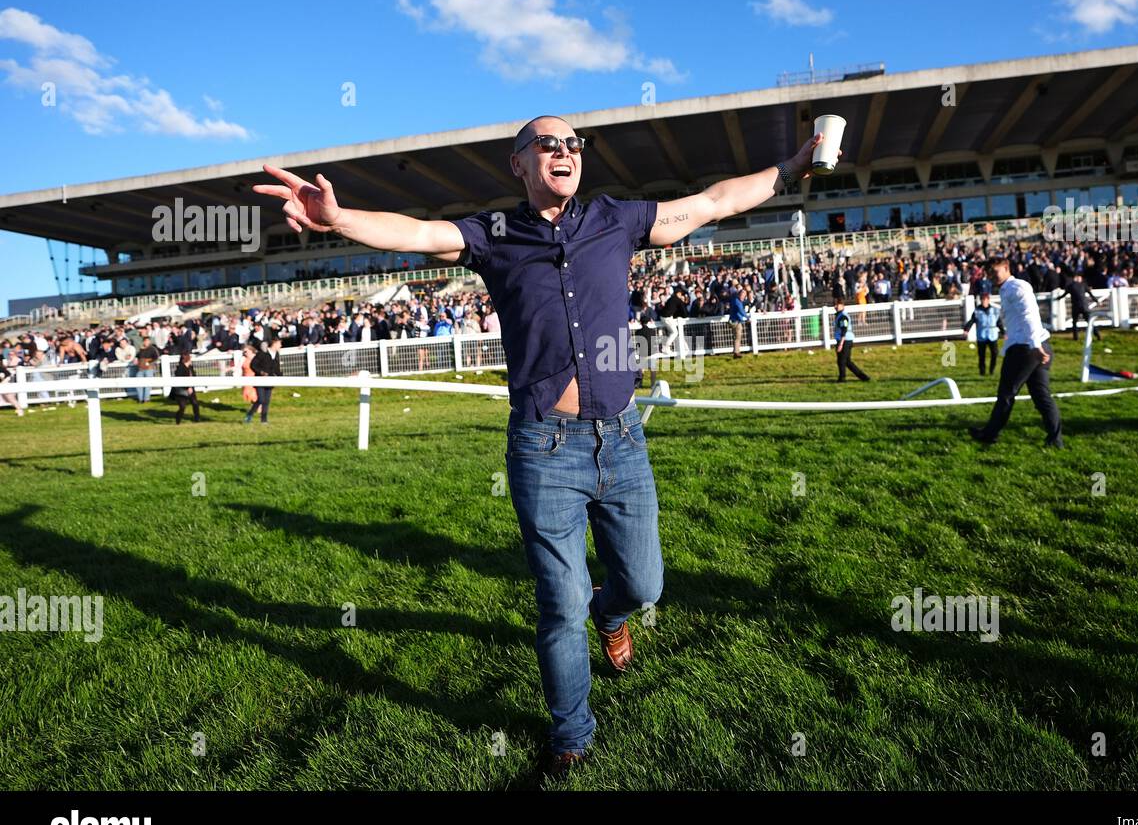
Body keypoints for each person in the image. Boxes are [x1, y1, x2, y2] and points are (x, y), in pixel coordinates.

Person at [254, 113, 832, 777]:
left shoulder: (617, 219)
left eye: (573, 144)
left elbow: (714, 200)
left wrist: (794, 167)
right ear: (519, 165)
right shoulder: (495, 234)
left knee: (643, 586)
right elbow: (417, 232)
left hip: (622, 440)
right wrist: (339, 217)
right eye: (548, 144)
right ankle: (571, 734)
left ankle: (611, 617)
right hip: (542, 448)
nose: (565, 152)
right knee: (559, 605)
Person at [970, 257, 1062, 448]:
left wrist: (1035, 345)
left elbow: (1029, 316)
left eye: (995, 272)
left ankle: (990, 434)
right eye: (989, 273)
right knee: (1041, 396)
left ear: (1006, 268)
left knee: (1006, 394)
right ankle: (1055, 439)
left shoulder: (1016, 287)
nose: (992, 276)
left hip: (1026, 348)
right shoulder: (1009, 289)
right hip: (1034, 345)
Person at [962, 291, 1003, 376]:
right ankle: (982, 372)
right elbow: (972, 321)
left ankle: (992, 370)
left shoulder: (994, 310)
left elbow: (999, 322)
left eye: (986, 299)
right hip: (982, 336)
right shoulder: (977, 311)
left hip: (992, 335)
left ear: (988, 300)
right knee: (982, 356)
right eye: (983, 299)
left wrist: (1003, 332)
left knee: (994, 354)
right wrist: (966, 329)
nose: (984, 301)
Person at [1054, 271, 1103, 340]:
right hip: (1084, 306)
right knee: (1089, 321)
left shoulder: (1070, 286)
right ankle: (1097, 335)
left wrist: (1056, 299)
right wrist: (1097, 301)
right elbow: (1091, 295)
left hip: (1075, 307)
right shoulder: (1083, 285)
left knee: (1074, 323)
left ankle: (1075, 337)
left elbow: (1063, 295)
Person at [244, 337, 282, 423]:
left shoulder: (276, 354)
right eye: (279, 343)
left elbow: (276, 369)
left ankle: (264, 420)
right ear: (274, 343)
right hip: (260, 380)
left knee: (266, 401)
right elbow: (253, 365)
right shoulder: (262, 353)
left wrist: (280, 376)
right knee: (261, 399)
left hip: (270, 381)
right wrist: (261, 372)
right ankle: (249, 414)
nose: (281, 345)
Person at [832, 297, 870, 382]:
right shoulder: (840, 315)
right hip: (845, 340)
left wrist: (841, 344)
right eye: (834, 305)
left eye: (837, 305)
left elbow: (844, 330)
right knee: (847, 361)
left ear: (842, 305)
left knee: (841, 361)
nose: (835, 306)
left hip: (845, 340)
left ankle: (842, 378)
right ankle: (863, 377)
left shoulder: (843, 317)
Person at [171, 351, 201, 424]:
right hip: (181, 391)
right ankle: (178, 421)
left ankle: (197, 419)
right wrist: (187, 387)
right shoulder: (180, 368)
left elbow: (194, 376)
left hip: (191, 389)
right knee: (182, 407)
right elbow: (179, 380)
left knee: (195, 403)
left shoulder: (190, 368)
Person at [135, 336, 160, 403]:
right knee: (138, 383)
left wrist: (149, 362)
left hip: (149, 368)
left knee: (148, 384)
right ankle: (140, 399)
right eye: (145, 341)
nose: (146, 342)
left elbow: (156, 357)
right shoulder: (141, 349)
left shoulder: (152, 349)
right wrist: (136, 361)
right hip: (140, 368)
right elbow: (137, 357)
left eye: (147, 341)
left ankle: (146, 399)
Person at [727, 286, 749, 358]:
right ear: (739, 294)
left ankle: (736, 351)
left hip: (734, 320)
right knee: (738, 337)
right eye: (743, 296)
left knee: (736, 337)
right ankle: (736, 352)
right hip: (736, 321)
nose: (743, 297)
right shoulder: (737, 301)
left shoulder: (735, 300)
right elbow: (741, 311)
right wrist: (747, 317)